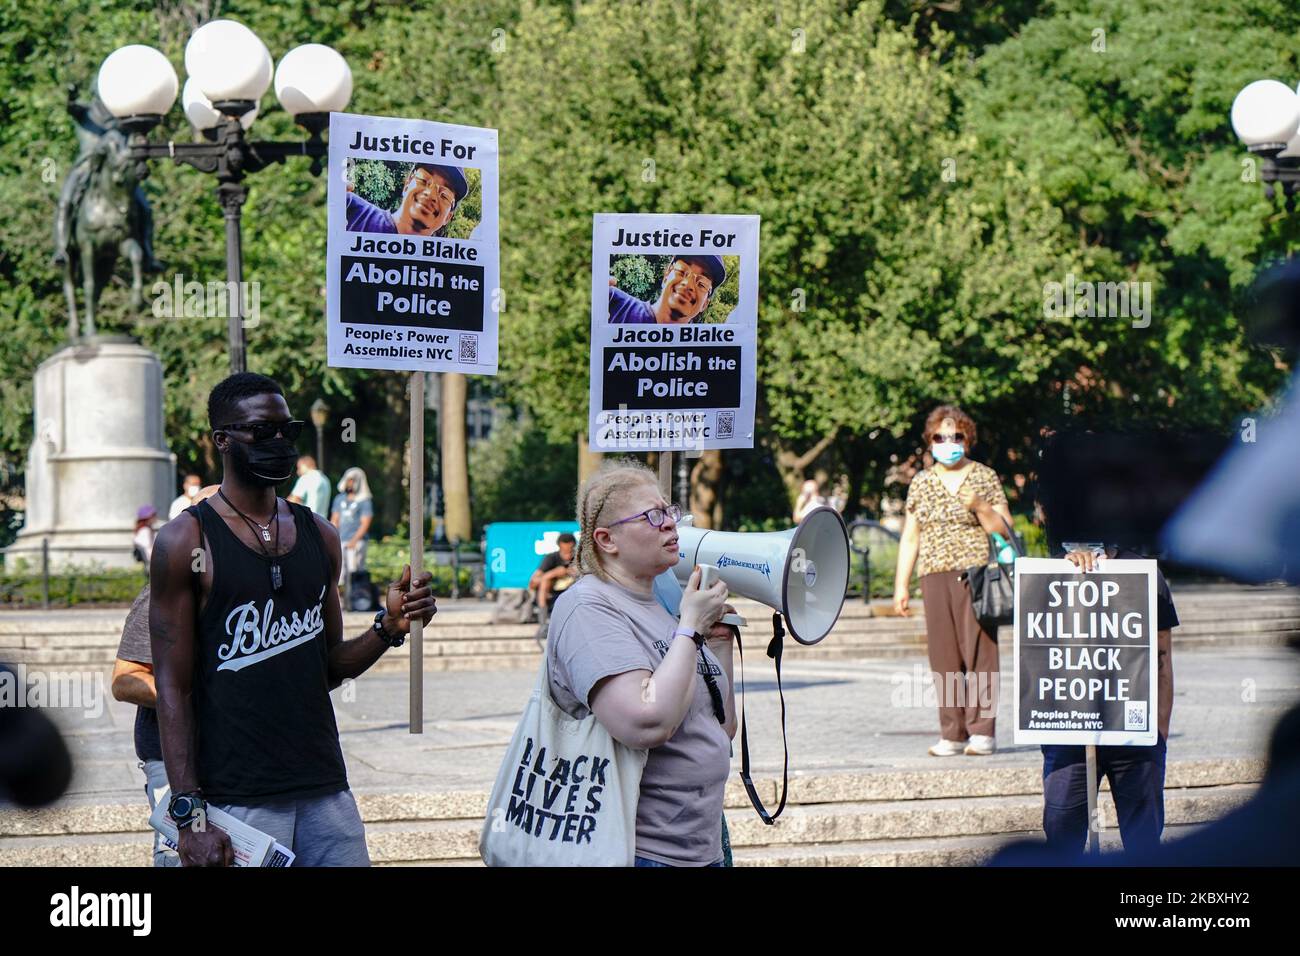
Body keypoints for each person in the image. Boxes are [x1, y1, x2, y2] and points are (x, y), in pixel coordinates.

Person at [149, 372, 437, 867]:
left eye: (289, 430)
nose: (280, 442)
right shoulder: (185, 542)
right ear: (223, 440)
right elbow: (172, 688)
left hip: (325, 790)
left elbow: (327, 668)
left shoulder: (320, 535)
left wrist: (389, 626)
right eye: (263, 432)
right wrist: (190, 816)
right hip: (234, 801)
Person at [546, 459, 735, 866]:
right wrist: (690, 628)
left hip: (699, 848)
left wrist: (715, 641)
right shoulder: (587, 607)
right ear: (606, 539)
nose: (670, 524)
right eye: (652, 516)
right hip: (636, 851)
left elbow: (721, 729)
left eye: (669, 512)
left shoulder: (667, 605)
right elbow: (645, 722)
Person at [1040, 543, 1177, 853]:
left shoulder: (1143, 572)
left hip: (1135, 735)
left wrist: (1159, 735)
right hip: (1068, 733)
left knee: (1144, 844)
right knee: (1061, 840)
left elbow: (1163, 657)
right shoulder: (1048, 572)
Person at [893, 404, 1012, 757]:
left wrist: (980, 506)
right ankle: (952, 732)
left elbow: (1004, 530)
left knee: (980, 655)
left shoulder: (983, 476)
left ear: (967, 439)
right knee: (943, 657)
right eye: (940, 437)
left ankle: (982, 731)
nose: (948, 442)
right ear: (930, 441)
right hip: (933, 574)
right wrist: (901, 585)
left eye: (956, 435)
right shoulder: (922, 482)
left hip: (975, 574)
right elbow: (911, 536)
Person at [114, 488, 219, 867]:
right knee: (179, 856)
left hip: (232, 755)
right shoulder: (163, 588)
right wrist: (197, 695)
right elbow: (124, 680)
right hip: (167, 752)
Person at [345, 163, 467, 237]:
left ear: (448, 217)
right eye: (424, 180)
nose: (431, 195)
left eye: (444, 195)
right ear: (407, 183)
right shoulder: (349, 208)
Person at [608, 255, 726, 325]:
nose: (688, 284)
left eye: (701, 284)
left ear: (705, 304)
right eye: (681, 271)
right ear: (666, 275)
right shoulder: (612, 302)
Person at [331, 468, 374, 587]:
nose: (350, 483)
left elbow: (365, 523)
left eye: (353, 480)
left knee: (354, 573)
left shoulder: (364, 501)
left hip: (357, 542)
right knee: (338, 574)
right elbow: (335, 519)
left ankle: (355, 602)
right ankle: (340, 602)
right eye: (348, 480)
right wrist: (333, 538)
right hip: (340, 540)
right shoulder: (339, 499)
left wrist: (354, 540)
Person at [531, 533, 577, 614]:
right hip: (553, 593)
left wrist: (574, 572)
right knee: (545, 582)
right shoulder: (551, 558)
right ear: (559, 547)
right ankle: (543, 619)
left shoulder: (579, 557)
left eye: (570, 551)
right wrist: (552, 574)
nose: (568, 556)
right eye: (564, 551)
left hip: (573, 593)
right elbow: (532, 584)